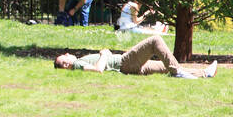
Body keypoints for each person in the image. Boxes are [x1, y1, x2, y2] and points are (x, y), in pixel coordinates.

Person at [53, 35, 216, 78]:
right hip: (125, 63)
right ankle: (178, 71)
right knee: (155, 40)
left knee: (164, 68)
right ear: (67, 65)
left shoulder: (77, 63)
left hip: (127, 67)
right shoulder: (77, 65)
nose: (67, 55)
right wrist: (104, 54)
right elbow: (98, 70)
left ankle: (204, 73)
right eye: (64, 59)